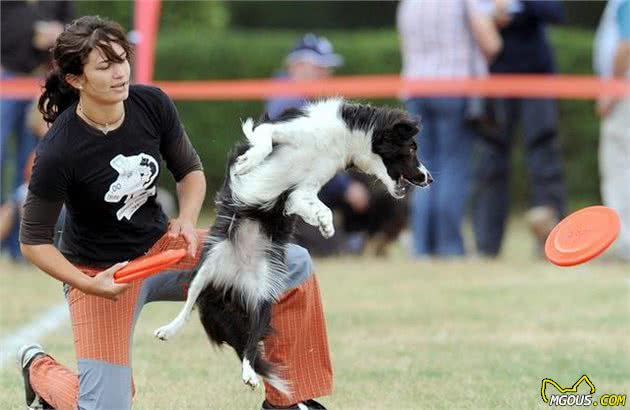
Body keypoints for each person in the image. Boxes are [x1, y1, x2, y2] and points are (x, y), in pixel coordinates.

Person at [17, 16, 332, 410]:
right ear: (76, 79)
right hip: (102, 274)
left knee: (293, 263)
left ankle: (288, 400)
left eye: (122, 60)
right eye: (105, 66)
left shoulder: (151, 103)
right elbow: (33, 243)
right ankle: (40, 369)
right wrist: (88, 284)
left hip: (164, 248)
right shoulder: (59, 149)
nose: (119, 73)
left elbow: (190, 173)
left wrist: (185, 219)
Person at [397, 0, 502, 258]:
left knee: (420, 166)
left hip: (416, 89)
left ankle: (422, 247)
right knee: (453, 167)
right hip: (454, 88)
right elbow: (491, 44)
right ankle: (449, 247)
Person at [265, 34, 378, 256]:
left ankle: (351, 237)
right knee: (328, 251)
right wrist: (346, 188)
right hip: (290, 197)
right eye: (320, 67)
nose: (327, 74)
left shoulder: (299, 96)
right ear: (298, 66)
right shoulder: (288, 102)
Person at [472, 0, 568, 257]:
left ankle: (556, 244)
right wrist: (491, 18)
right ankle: (486, 247)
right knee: (490, 163)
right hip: (495, 81)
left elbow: (556, 13)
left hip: (537, 79)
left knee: (544, 160)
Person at [0, 0, 74, 260]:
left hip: (39, 78)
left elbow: (73, 28)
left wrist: (58, 34)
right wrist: (32, 31)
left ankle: (17, 248)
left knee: (30, 163)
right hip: (5, 75)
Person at [594, 0, 630, 262]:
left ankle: (624, 241)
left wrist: (611, 89)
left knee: (619, 166)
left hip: (624, 95)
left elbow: (626, 45)